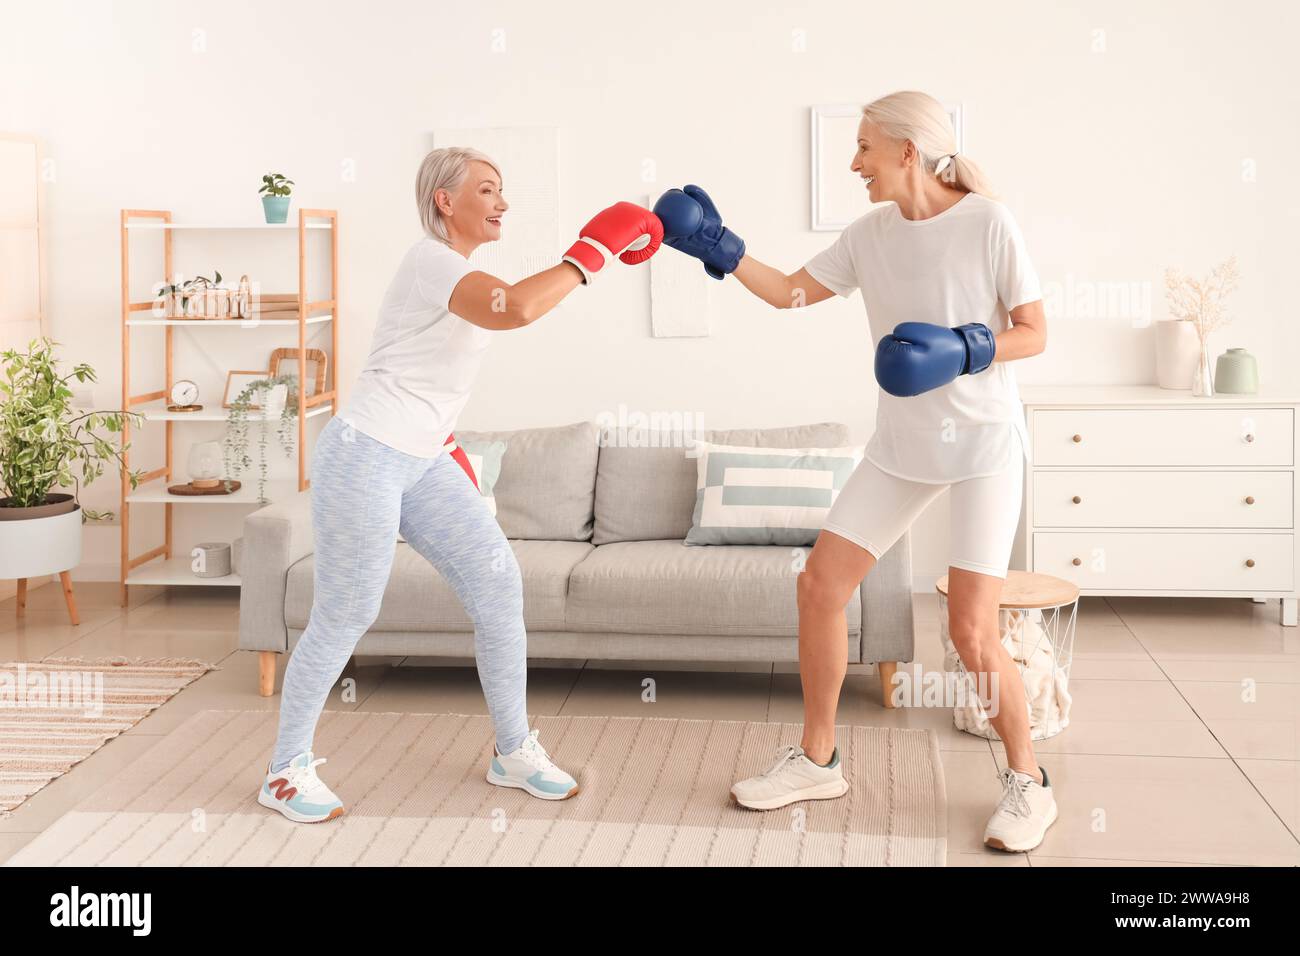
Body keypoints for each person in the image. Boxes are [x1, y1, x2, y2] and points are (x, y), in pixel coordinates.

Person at [654, 90, 1054, 852]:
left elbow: (1034, 333)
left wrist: (966, 348)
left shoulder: (988, 221)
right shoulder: (870, 235)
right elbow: (790, 294)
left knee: (971, 631)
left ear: (907, 151)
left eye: (865, 146)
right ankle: (817, 759)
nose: (854, 162)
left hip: (981, 447)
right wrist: (719, 245)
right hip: (901, 446)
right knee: (820, 586)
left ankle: (1028, 781)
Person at [259, 146, 662, 823]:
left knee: (498, 582)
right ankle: (283, 772)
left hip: (421, 458)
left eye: (502, 190)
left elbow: (427, 377)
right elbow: (516, 310)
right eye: (486, 189)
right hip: (364, 454)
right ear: (445, 201)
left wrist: (450, 451)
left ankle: (511, 752)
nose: (501, 202)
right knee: (348, 609)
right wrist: (591, 250)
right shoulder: (431, 260)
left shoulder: (459, 273)